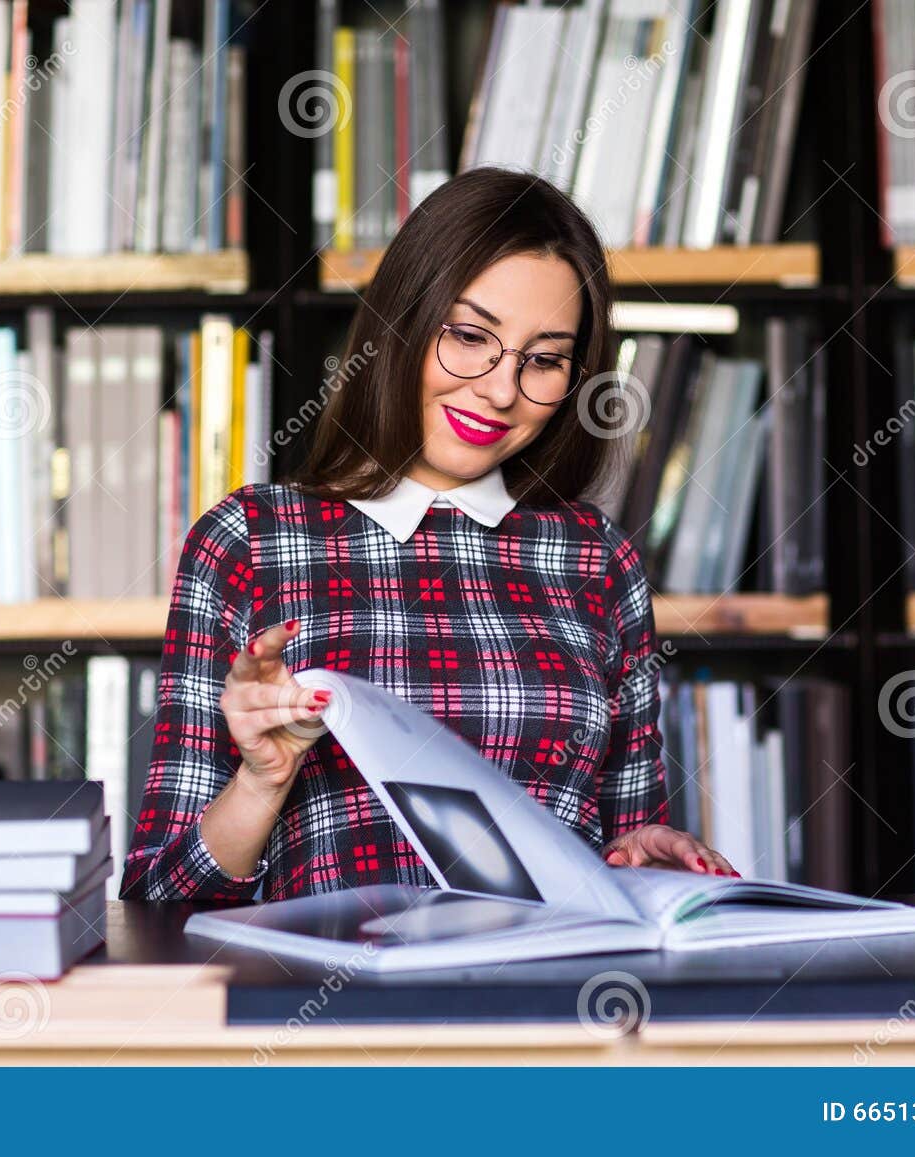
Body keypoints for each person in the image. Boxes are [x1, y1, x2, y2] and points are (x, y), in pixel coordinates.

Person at [121, 166, 736, 905]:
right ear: (401, 324)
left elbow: (626, 854)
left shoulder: (598, 560)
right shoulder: (250, 539)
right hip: (337, 1007)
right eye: (471, 337)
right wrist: (261, 780)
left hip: (553, 1003)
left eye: (543, 360)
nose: (501, 389)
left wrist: (650, 863)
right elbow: (157, 901)